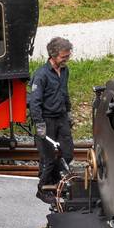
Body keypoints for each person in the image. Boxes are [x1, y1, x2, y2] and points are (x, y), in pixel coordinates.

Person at [28, 36, 74, 204]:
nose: (67, 59)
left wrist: (68, 112)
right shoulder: (41, 75)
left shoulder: (65, 71)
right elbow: (35, 102)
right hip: (47, 120)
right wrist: (39, 123)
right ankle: (42, 189)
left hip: (61, 117)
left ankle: (55, 184)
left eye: (68, 55)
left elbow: (64, 92)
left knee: (67, 153)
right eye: (64, 56)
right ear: (53, 55)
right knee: (49, 158)